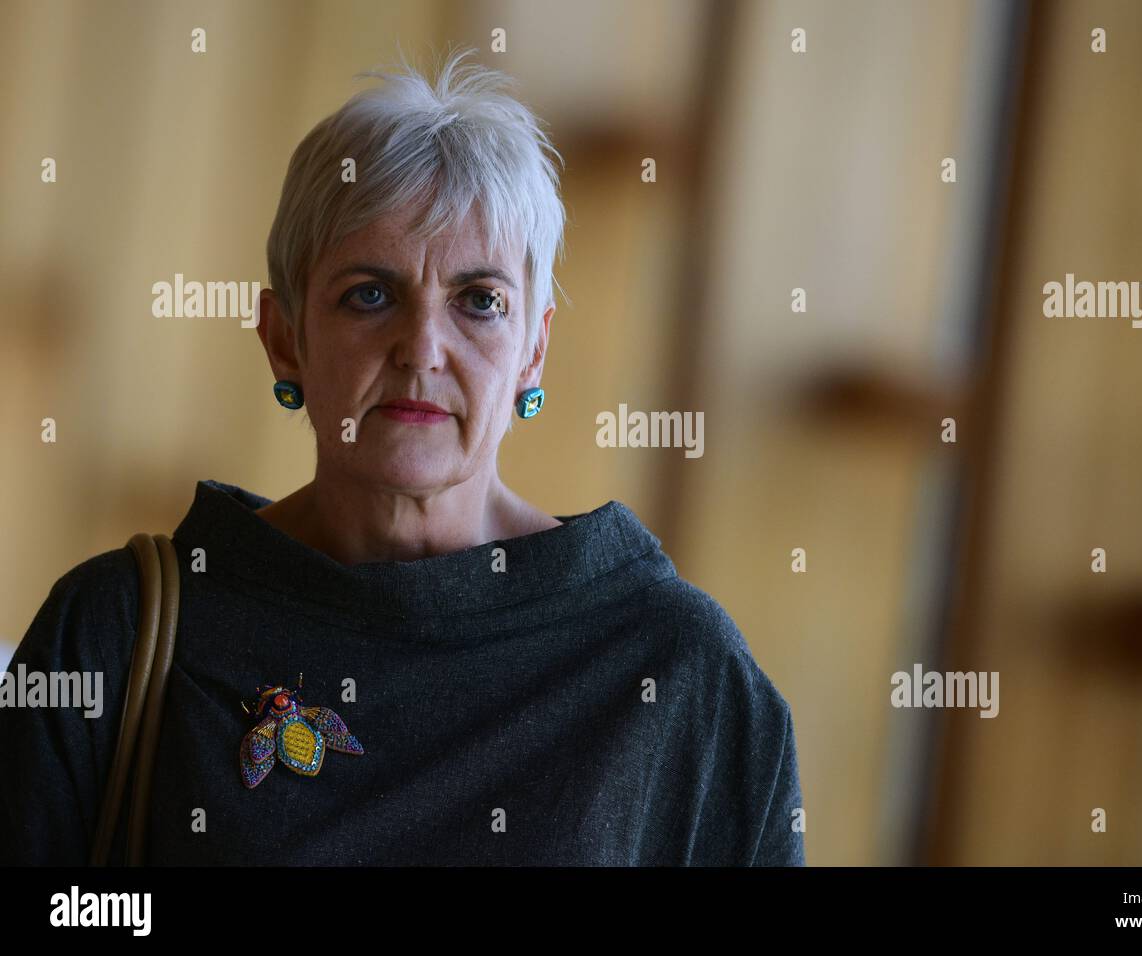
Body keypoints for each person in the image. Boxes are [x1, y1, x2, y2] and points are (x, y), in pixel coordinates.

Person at [0, 48, 805, 866]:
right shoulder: (119, 629)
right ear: (285, 340)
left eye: (479, 301)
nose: (421, 348)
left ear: (533, 351)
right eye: (370, 294)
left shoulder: (677, 667)